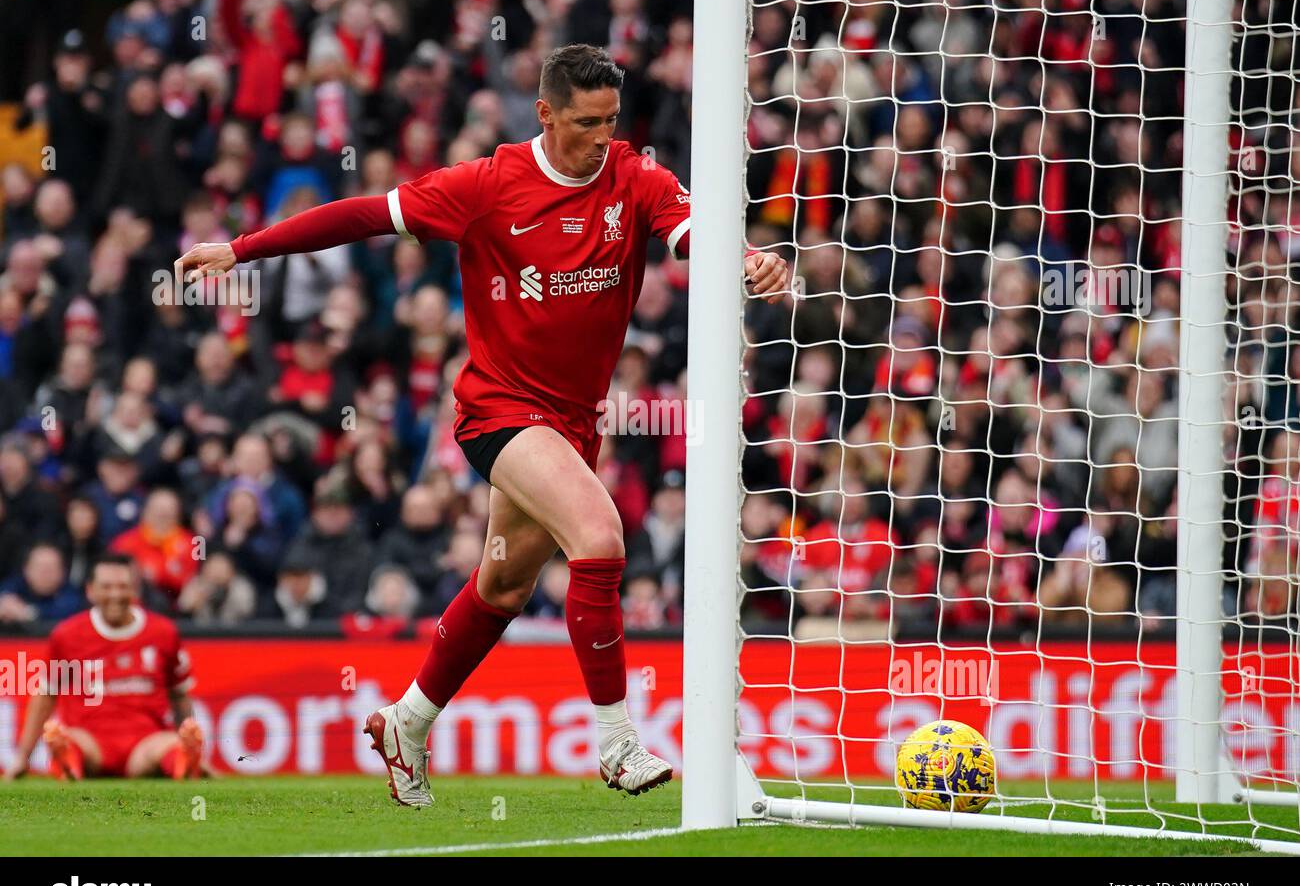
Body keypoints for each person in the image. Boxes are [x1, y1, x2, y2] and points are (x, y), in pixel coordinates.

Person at [176, 43, 790, 806]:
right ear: (544, 113)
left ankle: (406, 720)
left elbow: (692, 232)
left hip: (574, 420)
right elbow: (365, 214)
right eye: (584, 122)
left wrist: (748, 259)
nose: (601, 137)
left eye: (610, 121)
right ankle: (617, 743)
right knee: (599, 539)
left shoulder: (635, 177)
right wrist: (242, 248)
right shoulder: (488, 184)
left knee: (502, 583)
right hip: (499, 410)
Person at [3, 554, 203, 781]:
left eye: (122, 587)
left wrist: (188, 736)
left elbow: (179, 695)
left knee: (170, 746)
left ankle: (183, 762)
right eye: (106, 587)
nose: (115, 595)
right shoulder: (67, 635)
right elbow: (46, 695)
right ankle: (68, 762)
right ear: (90, 590)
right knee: (69, 740)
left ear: (135, 589)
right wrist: (23, 756)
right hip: (90, 740)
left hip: (145, 741)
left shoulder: (163, 632)